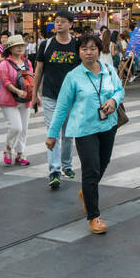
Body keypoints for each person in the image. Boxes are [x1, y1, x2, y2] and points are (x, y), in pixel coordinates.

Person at [45, 32, 125, 234]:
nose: (89, 53)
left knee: (102, 165)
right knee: (91, 169)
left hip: (108, 125)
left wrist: (114, 101)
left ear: (99, 50)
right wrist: (52, 134)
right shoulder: (73, 77)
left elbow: (120, 90)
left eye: (92, 48)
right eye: (84, 49)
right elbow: (62, 107)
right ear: (78, 52)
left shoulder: (108, 69)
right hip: (83, 129)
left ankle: (86, 193)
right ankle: (94, 216)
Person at [35, 11, 80, 190]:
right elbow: (38, 71)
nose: (58, 24)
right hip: (50, 96)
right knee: (52, 131)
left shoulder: (77, 45)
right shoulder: (46, 45)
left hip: (70, 97)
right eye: (56, 21)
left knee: (68, 134)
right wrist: (33, 95)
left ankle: (67, 165)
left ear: (70, 24)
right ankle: (54, 170)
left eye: (62, 22)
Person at [0, 33, 36, 166]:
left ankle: (20, 154)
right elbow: (5, 82)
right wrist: (17, 91)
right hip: (10, 100)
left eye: (21, 45)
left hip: (26, 100)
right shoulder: (4, 64)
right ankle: (8, 148)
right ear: (10, 48)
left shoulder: (28, 62)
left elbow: (31, 78)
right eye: (16, 46)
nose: (20, 48)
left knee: (24, 129)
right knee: (16, 127)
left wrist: (35, 95)